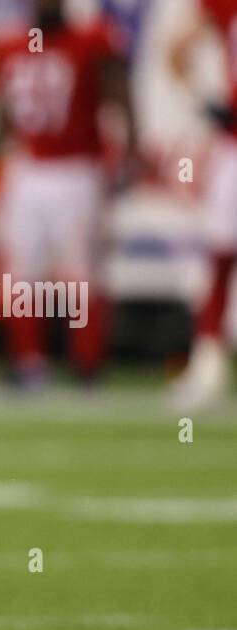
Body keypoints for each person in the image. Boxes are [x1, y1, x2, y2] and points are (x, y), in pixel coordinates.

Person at [0, 0, 136, 385]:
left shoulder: (92, 40)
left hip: (77, 168)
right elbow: (3, 111)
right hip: (28, 167)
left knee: (79, 273)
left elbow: (120, 96)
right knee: (19, 273)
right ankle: (28, 362)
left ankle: (87, 362)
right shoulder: (12, 46)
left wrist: (130, 152)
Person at [169, 0, 237, 408]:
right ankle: (208, 363)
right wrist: (207, 99)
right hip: (234, 147)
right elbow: (176, 50)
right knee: (219, 254)